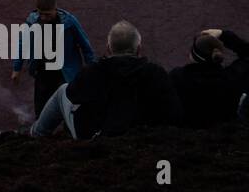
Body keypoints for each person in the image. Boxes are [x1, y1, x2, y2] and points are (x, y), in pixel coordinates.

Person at [31, 20, 182, 139]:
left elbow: (72, 95)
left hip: (95, 136)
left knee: (62, 91)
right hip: (143, 135)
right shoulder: (155, 72)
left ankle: (37, 134)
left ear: (108, 48)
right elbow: (171, 108)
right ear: (138, 48)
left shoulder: (93, 71)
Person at [10, 0, 97, 117]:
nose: (44, 18)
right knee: (40, 110)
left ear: (55, 9)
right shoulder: (31, 22)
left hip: (64, 73)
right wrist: (16, 68)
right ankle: (41, 134)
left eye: (47, 14)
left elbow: (85, 46)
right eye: (41, 14)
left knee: (69, 108)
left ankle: (68, 133)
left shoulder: (70, 22)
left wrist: (92, 70)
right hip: (42, 72)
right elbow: (22, 43)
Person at [169, 29, 249, 127]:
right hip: (223, 130)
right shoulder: (233, 77)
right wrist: (224, 35)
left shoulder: (177, 76)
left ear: (192, 56)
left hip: (186, 129)